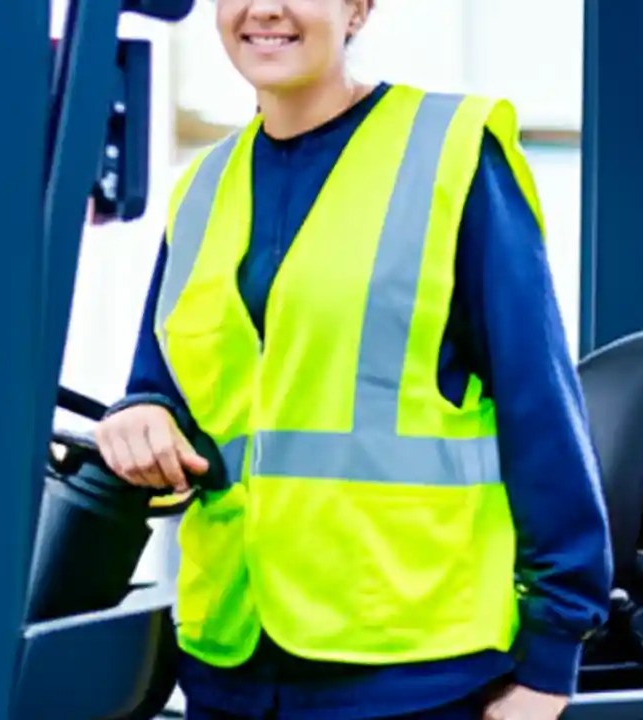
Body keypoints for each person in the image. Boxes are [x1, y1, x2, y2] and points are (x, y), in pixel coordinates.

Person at [92, 1, 613, 719]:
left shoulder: (449, 154)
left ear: (359, 8)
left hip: (410, 666)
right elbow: (164, 385)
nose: (264, 9)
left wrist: (552, 663)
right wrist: (139, 414)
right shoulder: (203, 189)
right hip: (230, 662)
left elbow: (540, 405)